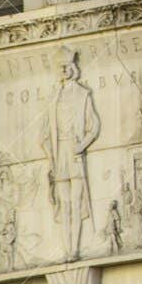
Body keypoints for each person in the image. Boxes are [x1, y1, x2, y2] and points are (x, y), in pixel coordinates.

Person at [47, 48, 102, 261]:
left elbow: (94, 126)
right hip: (60, 153)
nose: (63, 69)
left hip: (75, 152)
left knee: (76, 201)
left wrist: (83, 144)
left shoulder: (82, 94)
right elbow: (44, 133)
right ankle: (66, 248)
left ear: (72, 67)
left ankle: (75, 249)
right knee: (64, 203)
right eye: (60, 67)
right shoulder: (54, 98)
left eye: (66, 66)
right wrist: (50, 153)